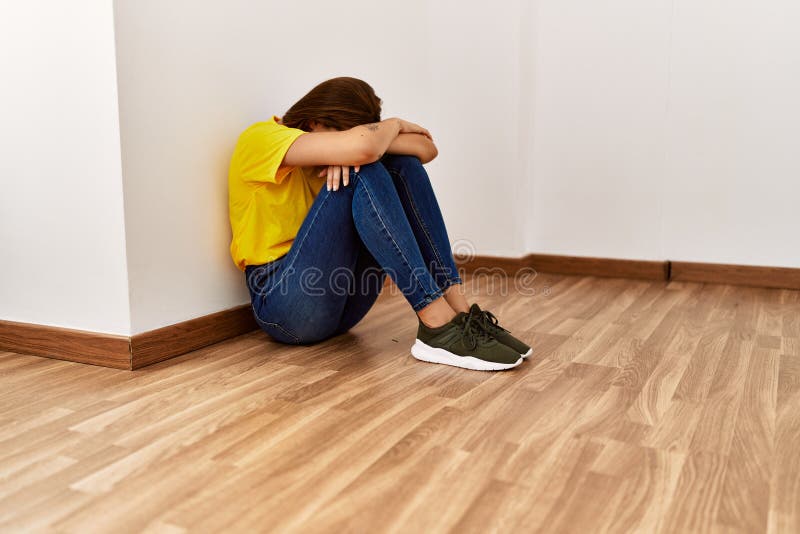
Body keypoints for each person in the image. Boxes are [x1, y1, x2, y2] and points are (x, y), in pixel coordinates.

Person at [228, 77, 531, 371]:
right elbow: (365, 149)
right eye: (342, 137)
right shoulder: (261, 138)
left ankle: (461, 313)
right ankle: (435, 322)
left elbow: (426, 150)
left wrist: (370, 141)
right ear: (313, 125)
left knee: (402, 164)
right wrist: (394, 124)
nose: (345, 146)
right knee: (364, 166)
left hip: (341, 306)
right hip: (284, 304)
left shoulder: (333, 148)